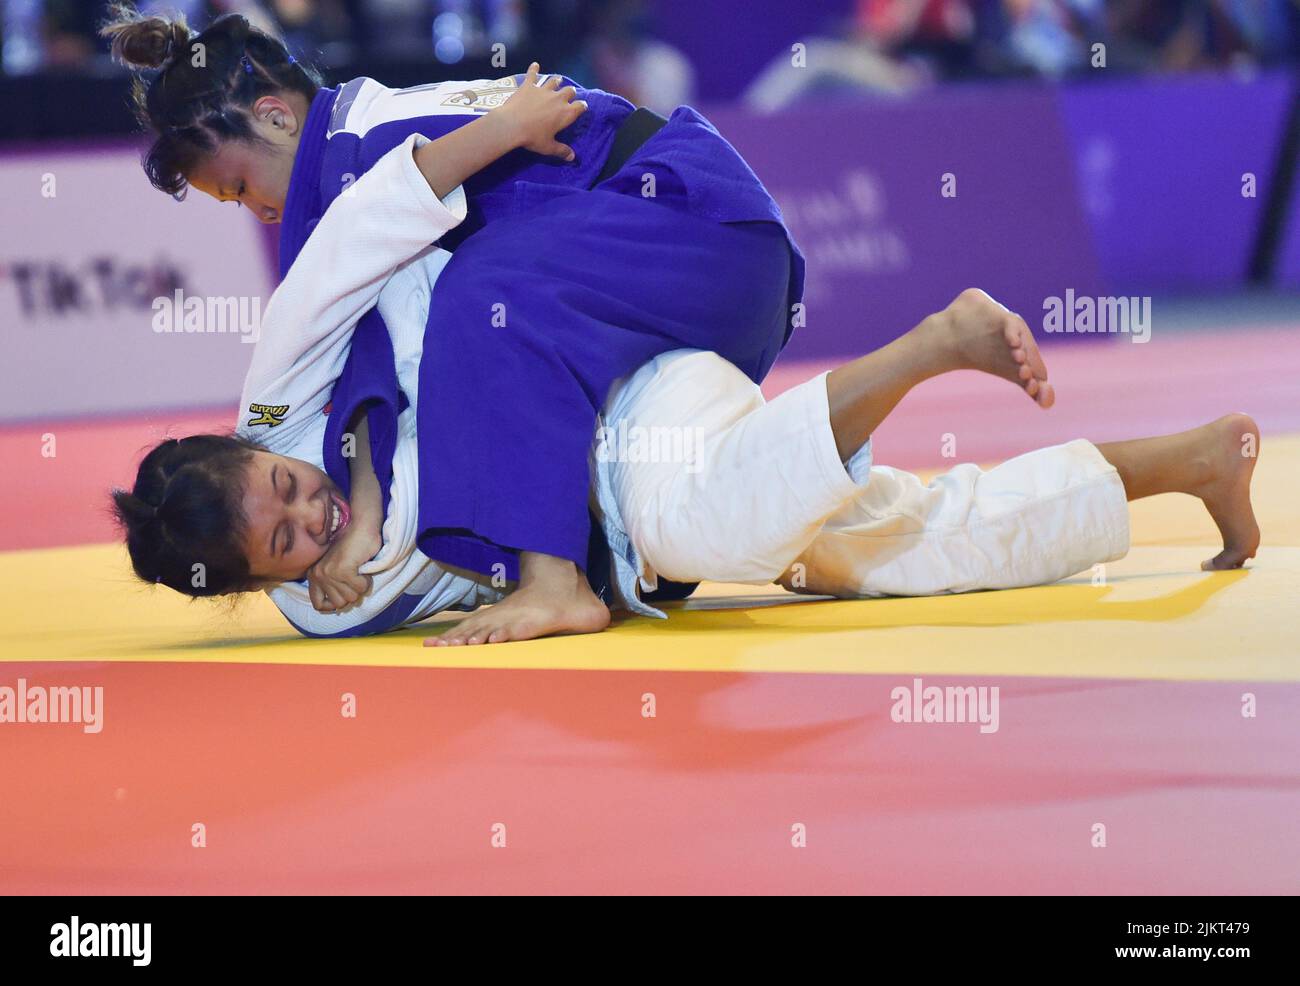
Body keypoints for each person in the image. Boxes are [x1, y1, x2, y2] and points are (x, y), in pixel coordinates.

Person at [112, 133, 1261, 644]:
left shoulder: (299, 385)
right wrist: (361, 512)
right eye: (286, 540)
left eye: (284, 486)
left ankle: (924, 346)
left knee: (725, 515)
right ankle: (1187, 463)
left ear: (252, 437)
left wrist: (357, 483)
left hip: (625, 418)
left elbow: (377, 244)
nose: (307, 518)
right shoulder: (327, 602)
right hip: (627, 525)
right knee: (911, 548)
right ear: (261, 583)